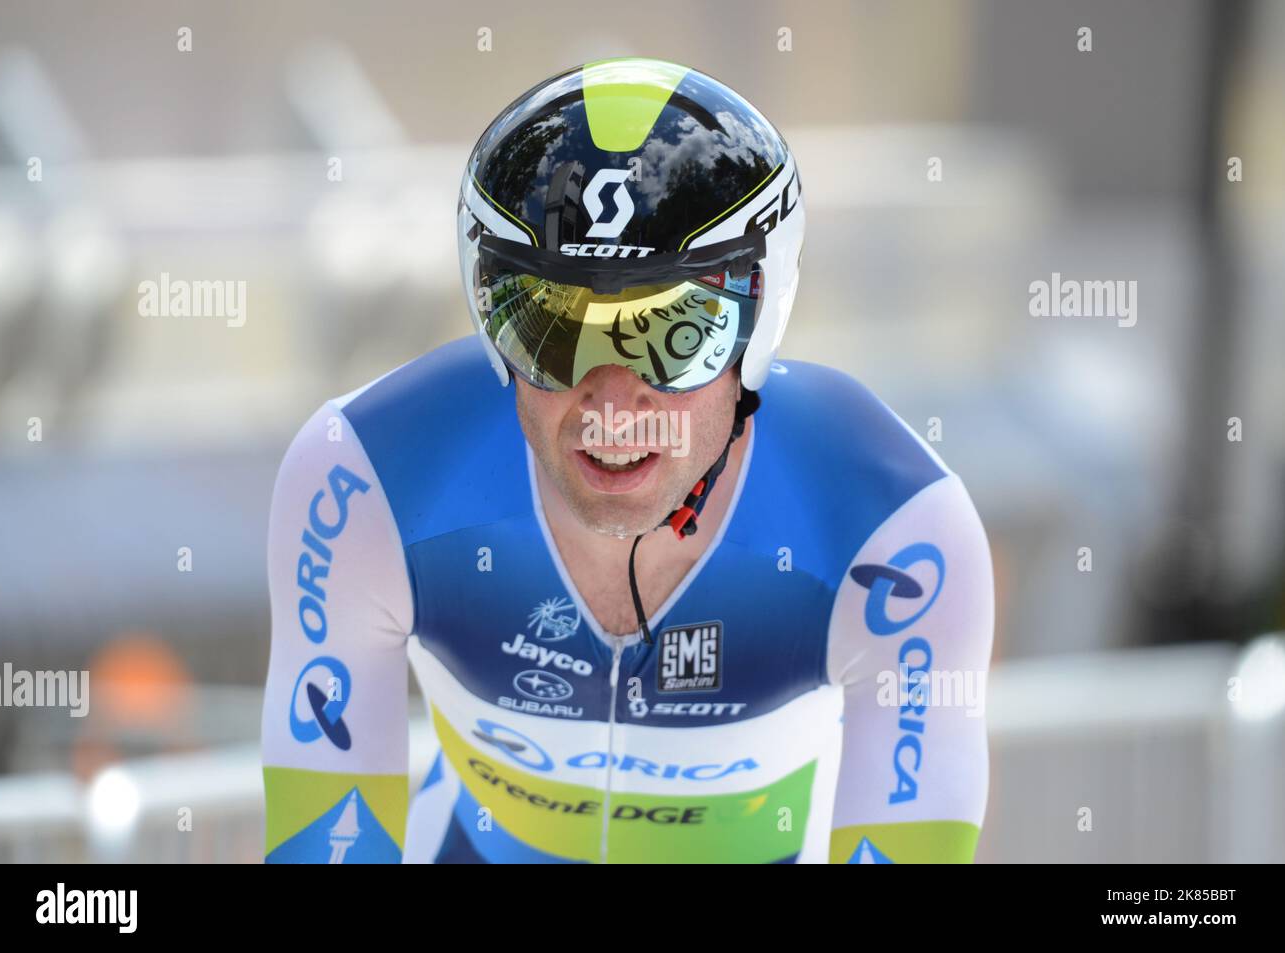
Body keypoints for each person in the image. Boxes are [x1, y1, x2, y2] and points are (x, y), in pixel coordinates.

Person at [261, 56, 993, 863]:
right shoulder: (365, 474)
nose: (610, 405)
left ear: (757, 328)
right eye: (552, 330)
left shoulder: (892, 524)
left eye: (670, 337)